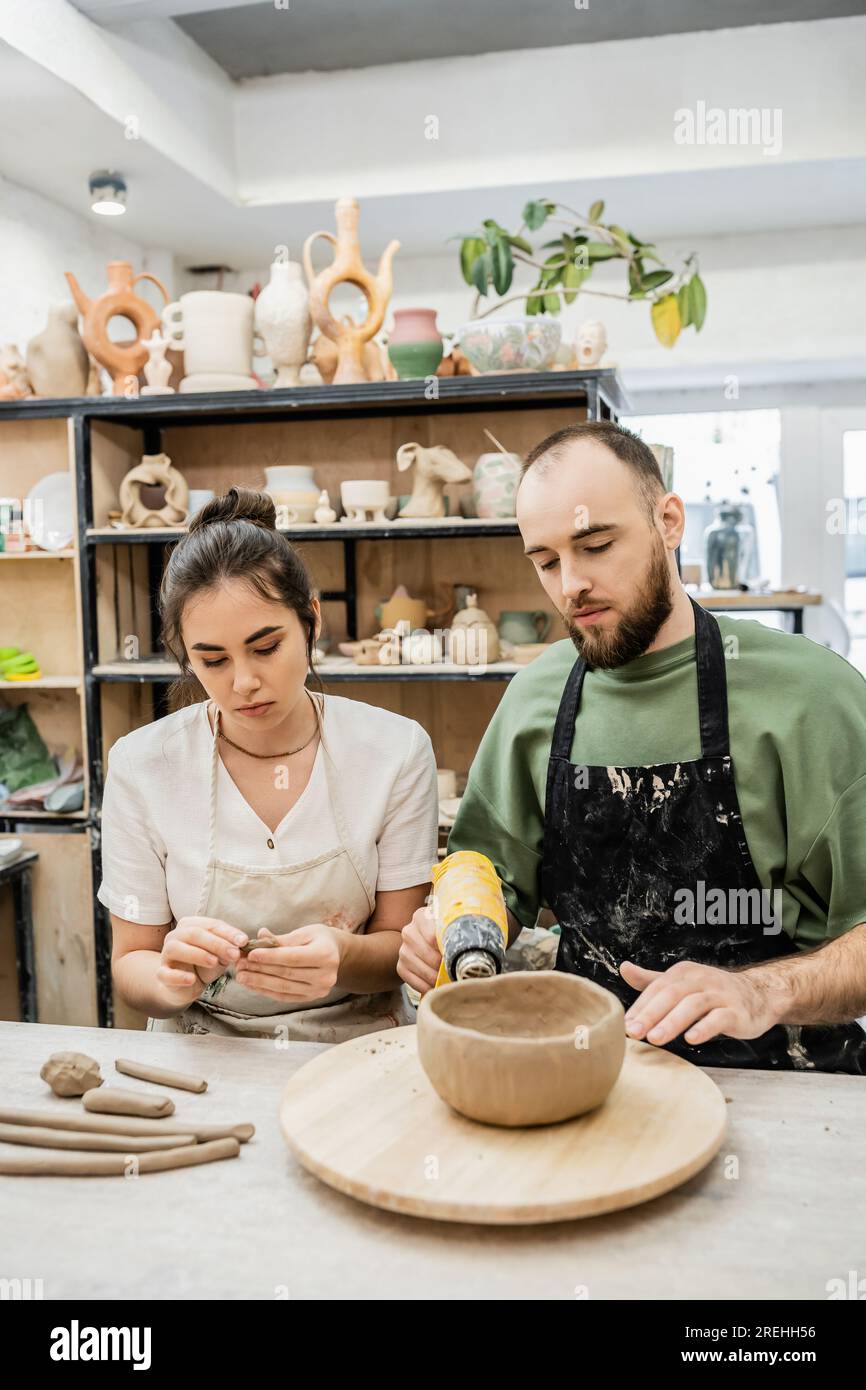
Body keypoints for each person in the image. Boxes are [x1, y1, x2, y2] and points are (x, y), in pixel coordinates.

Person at [398, 420, 866, 1072]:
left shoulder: (812, 696)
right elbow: (488, 873)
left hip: (786, 1089)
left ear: (669, 521)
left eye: (595, 545)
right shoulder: (533, 702)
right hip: (590, 1077)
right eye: (546, 561)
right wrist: (450, 930)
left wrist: (763, 989)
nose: (570, 586)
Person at [101, 487, 438, 1041]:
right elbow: (131, 963)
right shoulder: (143, 766)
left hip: (356, 1043)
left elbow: (401, 946)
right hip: (204, 1046)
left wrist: (344, 954)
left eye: (265, 647)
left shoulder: (394, 751)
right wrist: (172, 978)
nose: (244, 683)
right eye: (212, 660)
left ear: (311, 620)